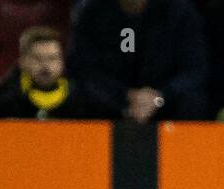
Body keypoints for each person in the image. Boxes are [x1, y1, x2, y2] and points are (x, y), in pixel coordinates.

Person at [67, 0, 208, 121]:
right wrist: (125, 95)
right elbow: (84, 68)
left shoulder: (178, 11)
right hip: (112, 100)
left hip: (163, 100)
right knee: (79, 96)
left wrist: (160, 97)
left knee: (193, 102)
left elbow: (194, 70)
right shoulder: (92, 11)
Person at [0, 25, 90, 119]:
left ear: (62, 61)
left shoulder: (80, 99)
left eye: (52, 58)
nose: (45, 65)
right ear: (23, 61)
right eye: (37, 58)